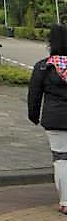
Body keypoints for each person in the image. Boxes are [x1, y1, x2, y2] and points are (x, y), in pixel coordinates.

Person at [27, 24, 67, 215]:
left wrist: (33, 115)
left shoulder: (43, 67)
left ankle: (65, 201)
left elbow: (34, 95)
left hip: (54, 119)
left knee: (61, 159)